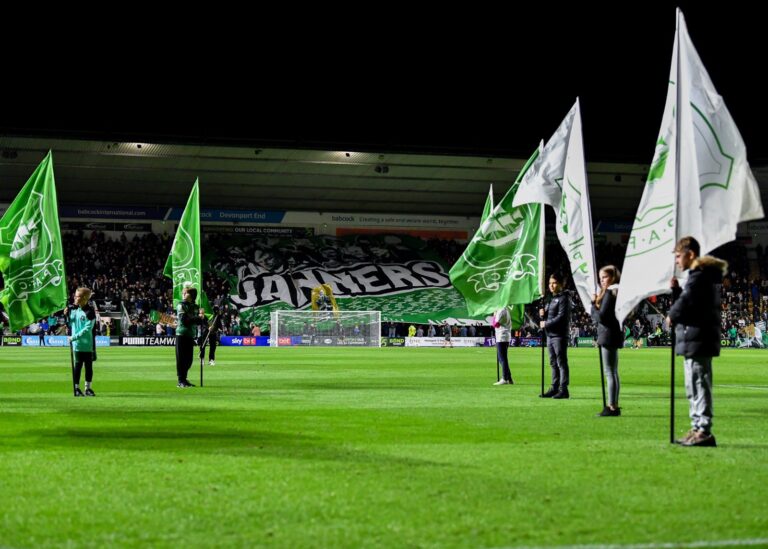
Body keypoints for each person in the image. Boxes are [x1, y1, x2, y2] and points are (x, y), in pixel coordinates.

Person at [666, 236, 727, 447]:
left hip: (698, 338)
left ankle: (703, 430)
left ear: (690, 254)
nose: (676, 261)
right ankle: (697, 427)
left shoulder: (700, 276)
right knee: (693, 385)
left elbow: (687, 301)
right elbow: (690, 302)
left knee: (699, 384)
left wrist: (672, 313)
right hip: (694, 338)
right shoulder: (699, 277)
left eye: (678, 256)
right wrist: (676, 292)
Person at [590, 265, 623, 416]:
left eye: (604, 277)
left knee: (609, 372)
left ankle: (612, 406)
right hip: (613, 334)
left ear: (612, 277)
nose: (602, 280)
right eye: (600, 277)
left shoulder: (610, 292)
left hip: (608, 334)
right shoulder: (616, 291)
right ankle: (613, 404)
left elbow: (602, 317)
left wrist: (592, 307)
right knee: (613, 372)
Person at [539, 273, 570, 399]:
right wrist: (542, 314)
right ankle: (554, 388)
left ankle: (564, 389)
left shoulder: (564, 298)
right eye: (550, 283)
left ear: (561, 284)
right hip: (550, 335)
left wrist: (546, 323)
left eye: (554, 283)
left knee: (561, 362)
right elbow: (547, 317)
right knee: (553, 363)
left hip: (559, 335)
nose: (551, 285)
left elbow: (562, 317)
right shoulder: (550, 299)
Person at [65, 288, 97, 397]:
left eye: (77, 296)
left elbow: (87, 329)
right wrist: (66, 315)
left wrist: (73, 337)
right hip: (77, 345)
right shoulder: (74, 309)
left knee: (89, 367)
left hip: (87, 345)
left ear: (84, 298)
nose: (74, 298)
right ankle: (77, 388)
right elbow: (70, 323)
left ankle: (88, 389)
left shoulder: (90, 312)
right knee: (77, 366)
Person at [175, 286, 205, 388]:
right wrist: (198, 317)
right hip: (181, 334)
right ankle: (180, 381)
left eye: (186, 293)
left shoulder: (196, 307)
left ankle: (184, 379)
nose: (183, 294)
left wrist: (202, 317)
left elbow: (197, 321)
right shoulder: (181, 305)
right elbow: (185, 321)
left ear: (191, 295)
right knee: (181, 359)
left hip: (190, 334)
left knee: (189, 360)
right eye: (183, 293)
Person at [493, 306, 514, 385]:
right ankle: (509, 378)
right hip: (504, 335)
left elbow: (495, 324)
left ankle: (505, 378)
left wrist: (494, 315)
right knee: (502, 358)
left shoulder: (501, 310)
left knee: (502, 358)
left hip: (501, 336)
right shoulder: (506, 309)